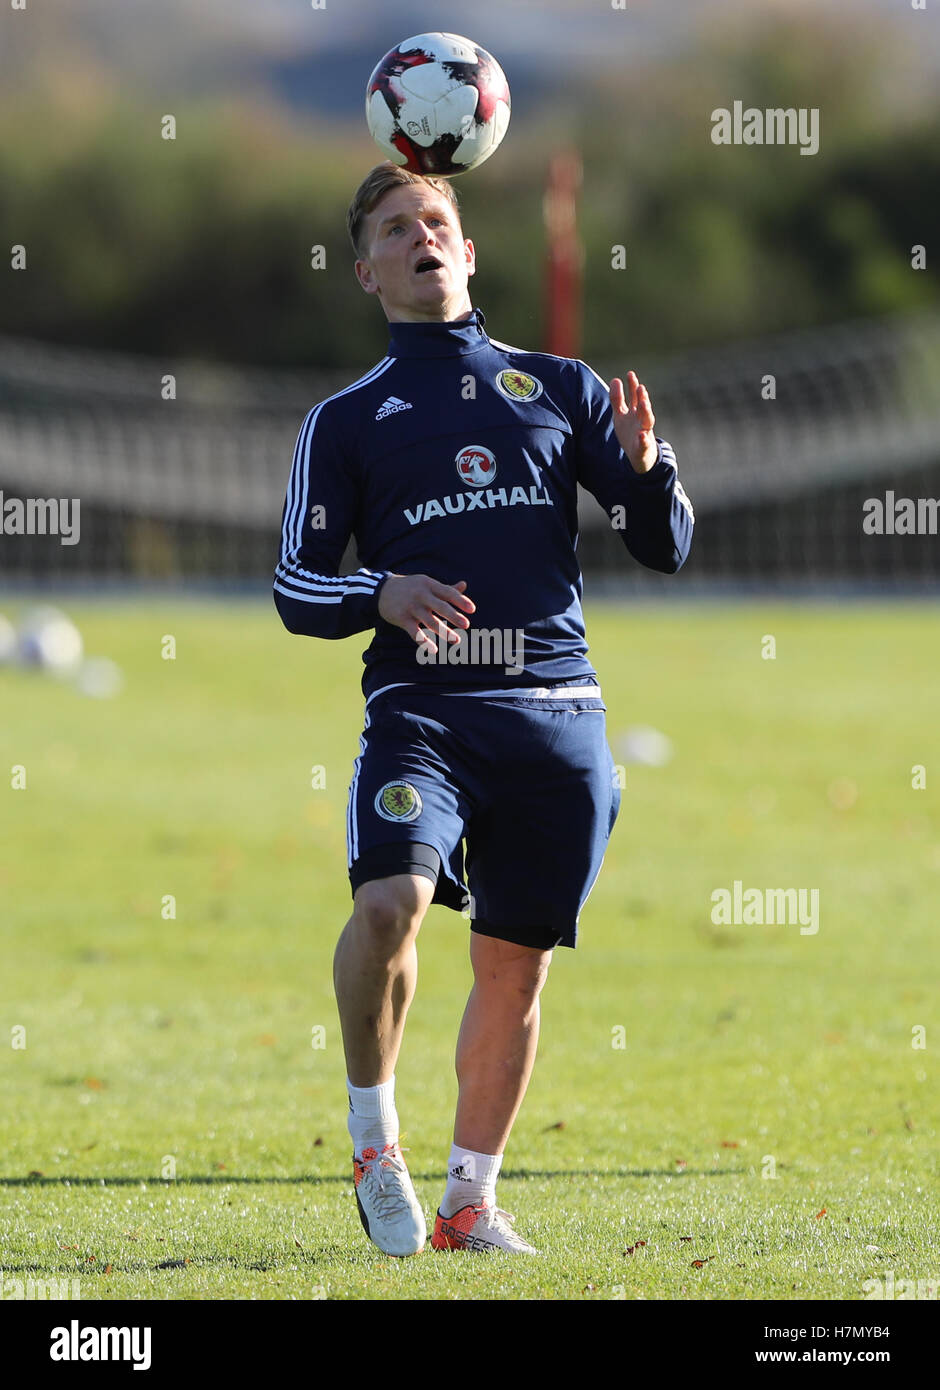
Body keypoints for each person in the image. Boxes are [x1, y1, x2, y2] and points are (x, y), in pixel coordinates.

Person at [273, 162, 694, 1257]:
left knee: (516, 963)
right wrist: (383, 591)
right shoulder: (347, 419)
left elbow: (664, 546)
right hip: (426, 713)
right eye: (396, 228)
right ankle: (374, 1142)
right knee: (388, 907)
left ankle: (470, 1199)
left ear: (466, 251)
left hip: (557, 714)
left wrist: (650, 477)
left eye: (437, 220)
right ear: (366, 270)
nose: (422, 235)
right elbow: (294, 589)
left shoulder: (558, 386)